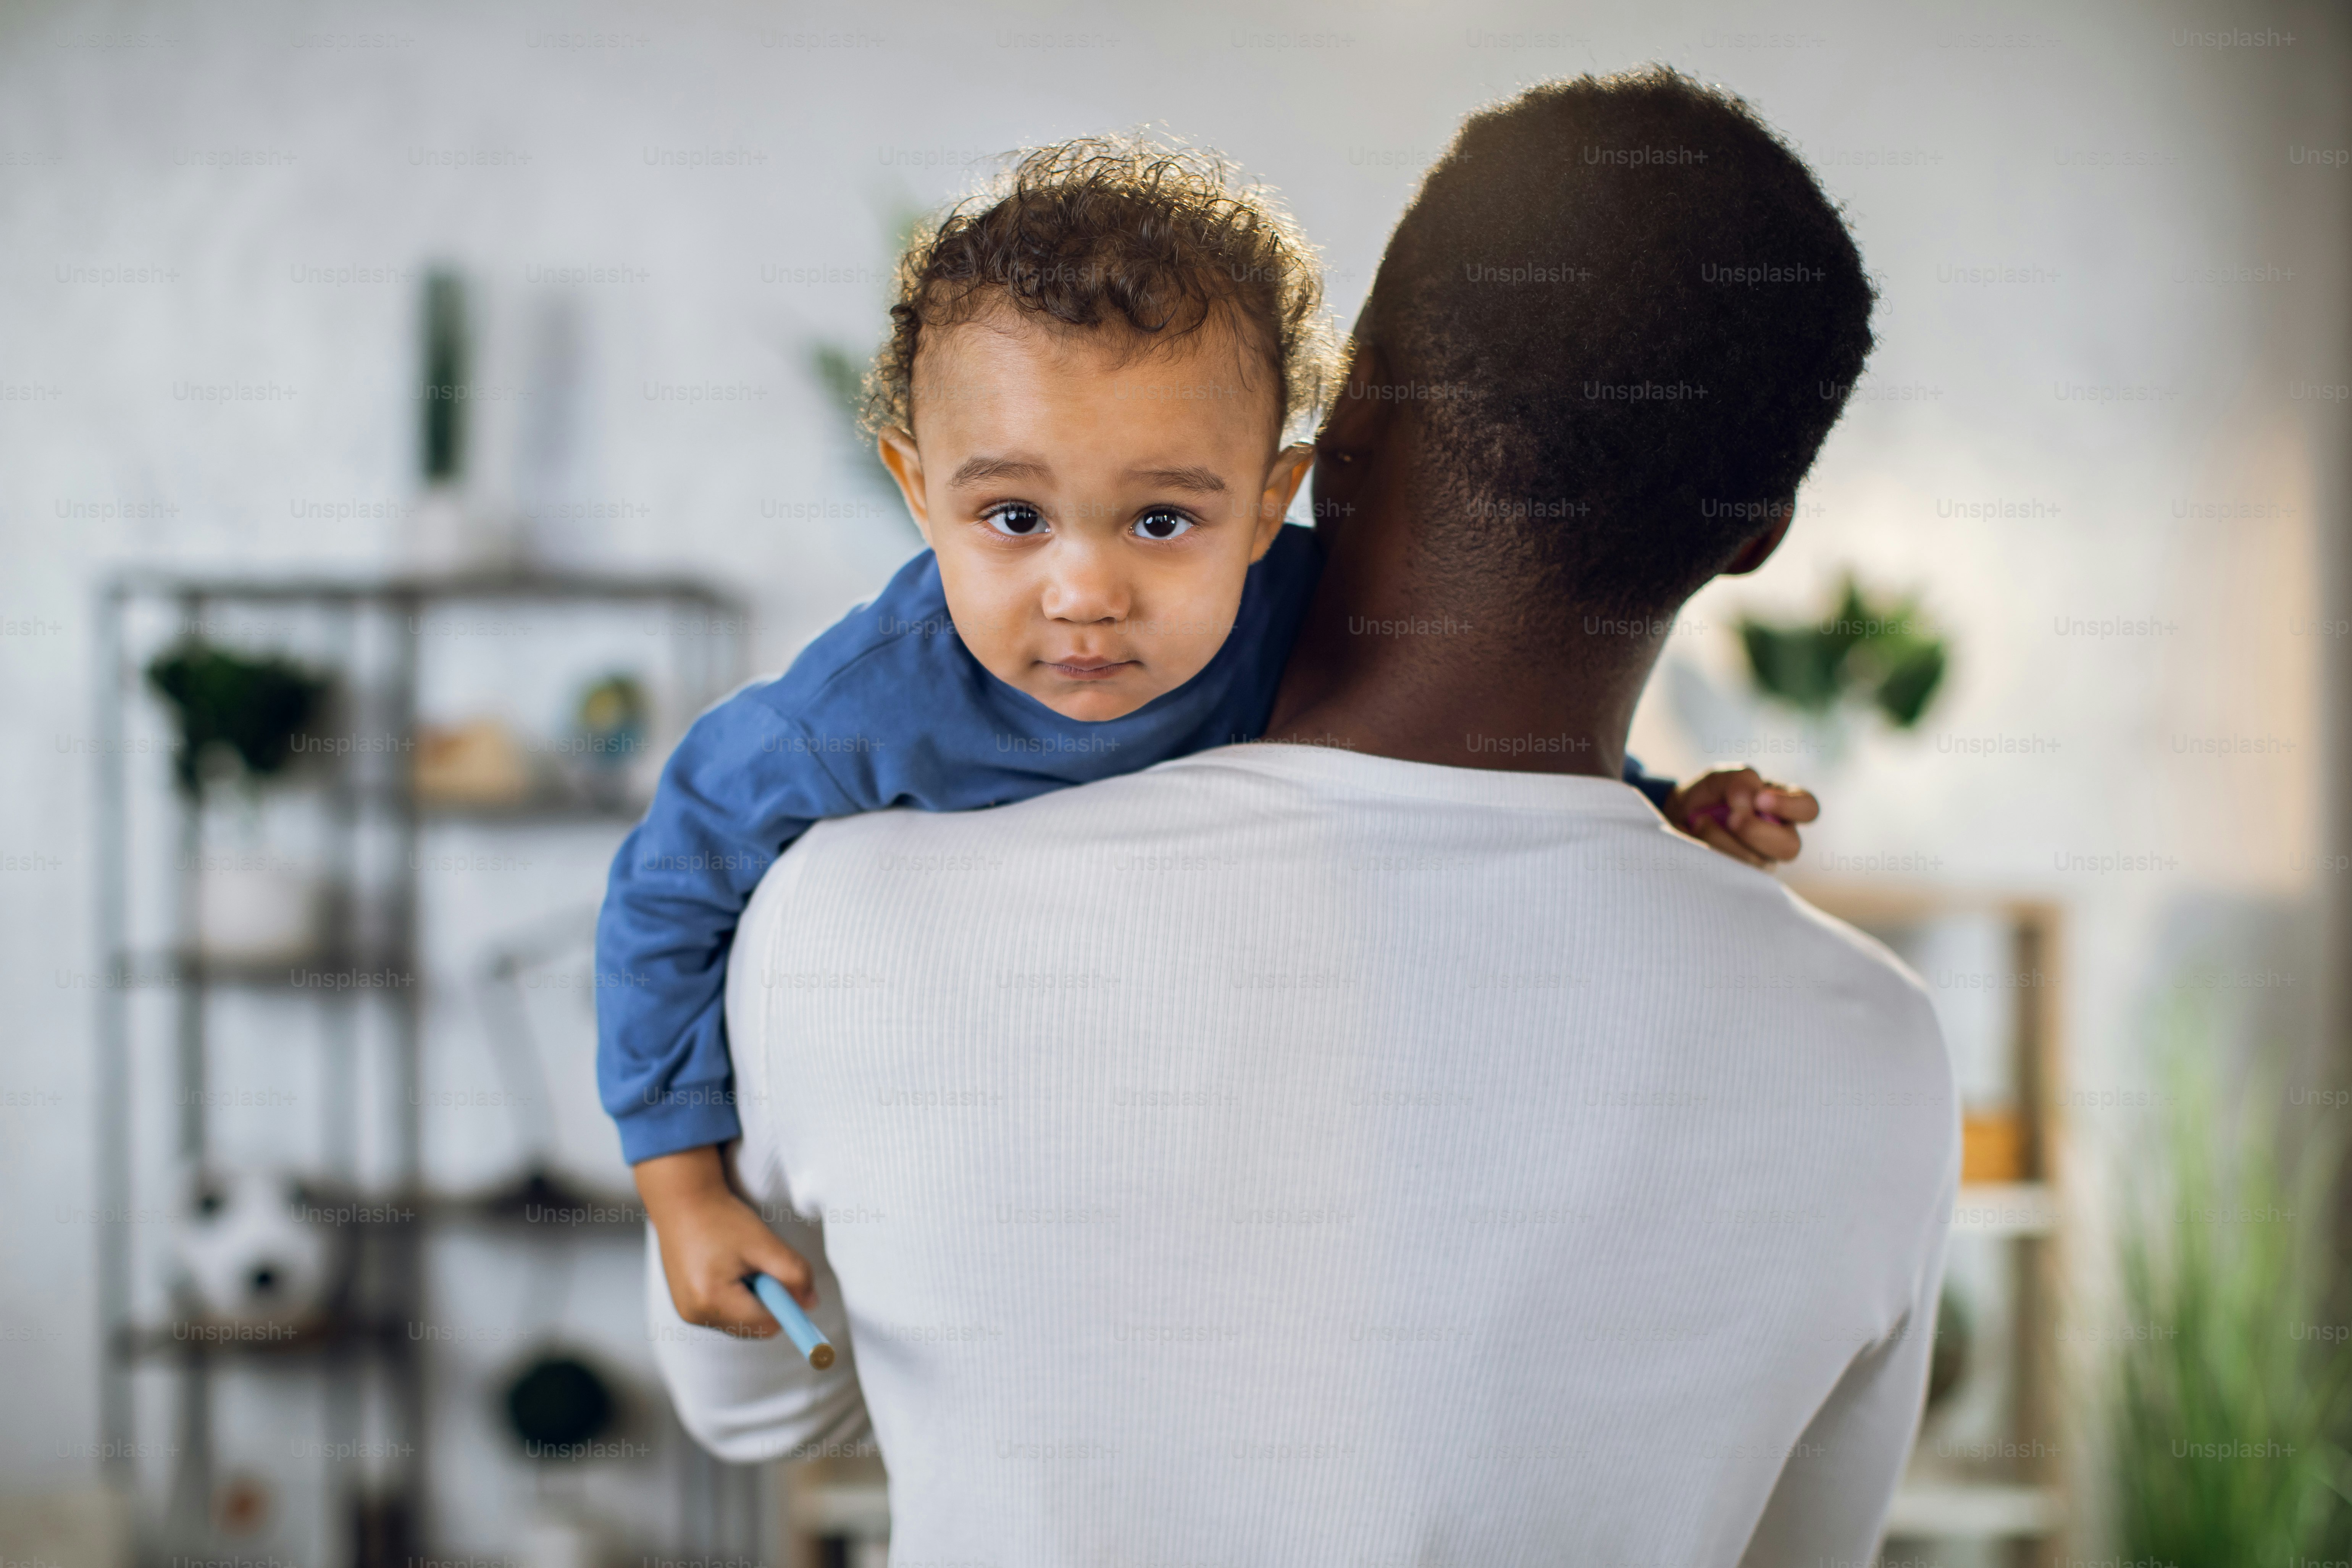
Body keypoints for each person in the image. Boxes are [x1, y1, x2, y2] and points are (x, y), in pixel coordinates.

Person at [649, 68, 1955, 1565]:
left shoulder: (855, 907)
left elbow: (755, 1401)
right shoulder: (1871, 1045)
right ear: (1754, 537)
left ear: (1324, 427)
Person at [598, 136, 1818, 1328]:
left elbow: (1497, 755)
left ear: (1268, 502)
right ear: (920, 493)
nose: (1085, 591)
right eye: (1014, 515)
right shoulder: (853, 711)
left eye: (1163, 519)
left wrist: (1658, 806)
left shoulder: (1301, 614)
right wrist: (684, 1185)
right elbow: (666, 888)